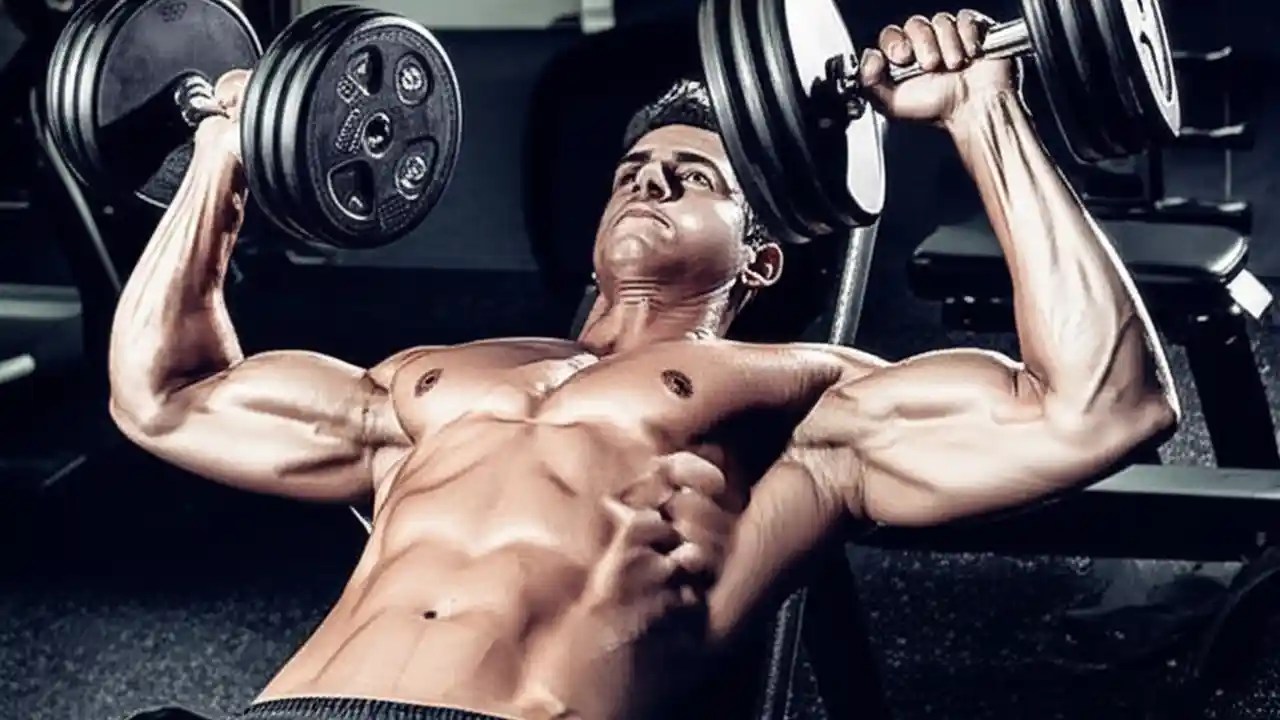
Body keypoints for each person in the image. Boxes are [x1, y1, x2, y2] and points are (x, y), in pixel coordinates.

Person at [109, 11, 1179, 720]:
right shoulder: (427, 379)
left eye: (690, 175)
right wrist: (221, 150)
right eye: (632, 170)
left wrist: (981, 113)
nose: (649, 182)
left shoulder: (799, 403)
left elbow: (1101, 409)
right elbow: (164, 398)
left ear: (761, 255)